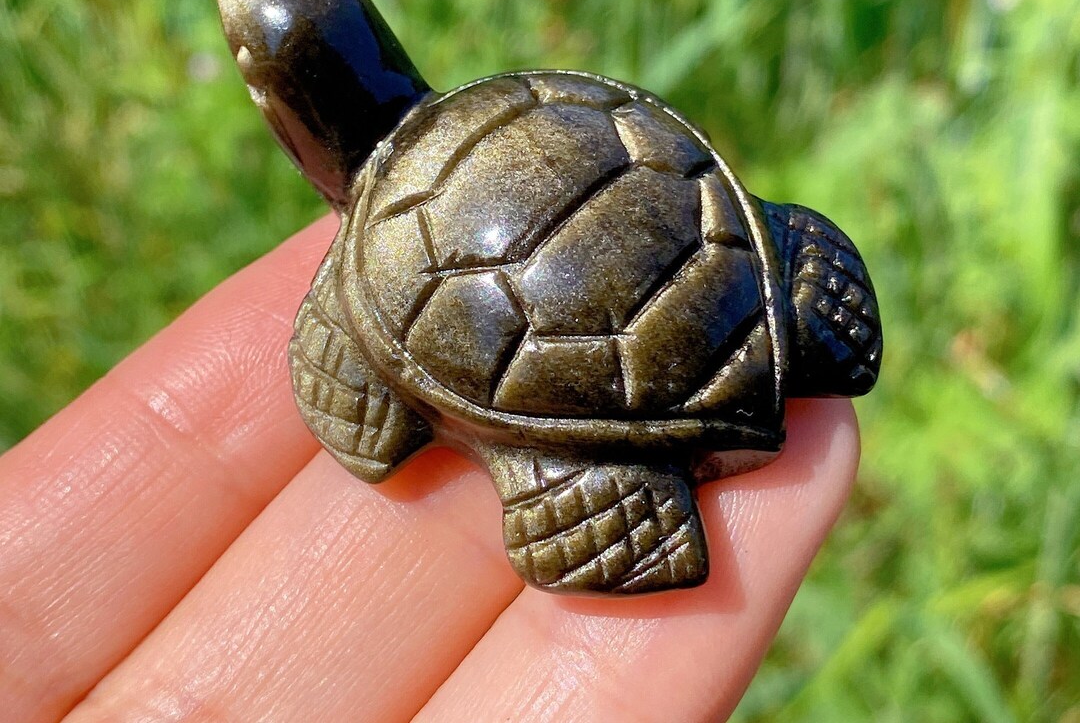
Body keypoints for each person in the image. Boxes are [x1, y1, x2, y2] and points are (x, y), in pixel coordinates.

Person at [0, 215, 860, 722]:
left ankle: (602, 486)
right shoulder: (521, 104)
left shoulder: (366, 263)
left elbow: (361, 431)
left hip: (574, 414)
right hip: (716, 265)